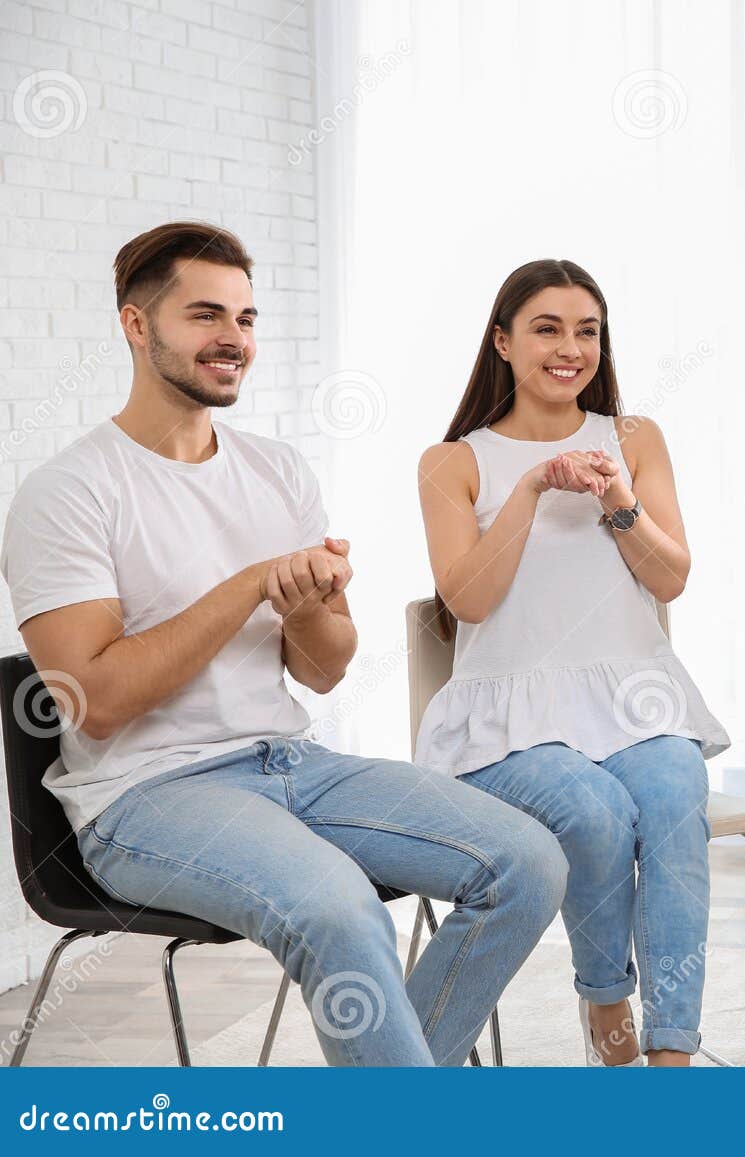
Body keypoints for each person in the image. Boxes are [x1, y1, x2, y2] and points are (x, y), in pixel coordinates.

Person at [0, 222, 566, 1066]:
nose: (234, 338)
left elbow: (327, 667)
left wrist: (306, 606)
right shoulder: (69, 492)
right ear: (135, 324)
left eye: (246, 317)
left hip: (289, 763)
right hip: (144, 796)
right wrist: (252, 584)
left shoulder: (276, 470)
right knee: (340, 907)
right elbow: (100, 701)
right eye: (205, 314)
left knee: (528, 859)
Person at [414, 259, 729, 1067]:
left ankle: (671, 1059)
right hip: (503, 721)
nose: (570, 347)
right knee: (592, 812)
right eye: (548, 328)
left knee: (674, 793)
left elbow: (672, 577)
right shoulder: (454, 461)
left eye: (587, 330)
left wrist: (615, 500)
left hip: (634, 699)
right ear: (503, 341)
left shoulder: (633, 439)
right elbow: (469, 601)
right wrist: (526, 492)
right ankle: (610, 1012)